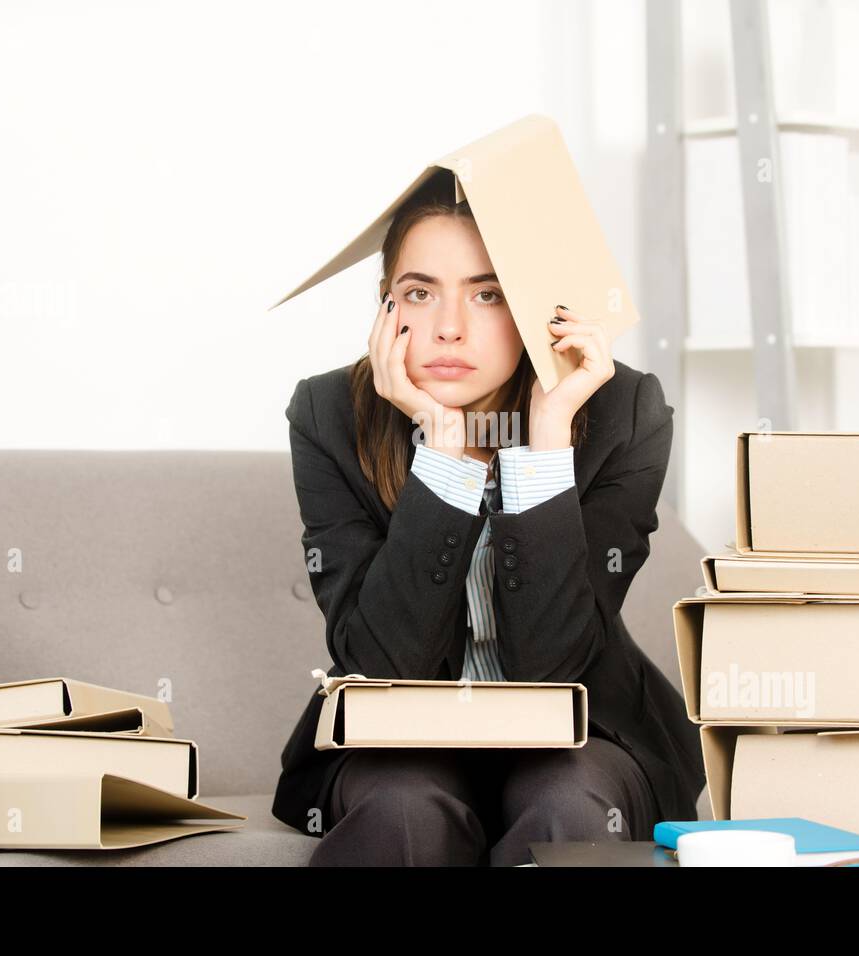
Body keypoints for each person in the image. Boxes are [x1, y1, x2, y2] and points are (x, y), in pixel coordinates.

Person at [269, 173, 705, 866]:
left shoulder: (626, 413)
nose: (449, 327)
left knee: (566, 803)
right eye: (419, 292)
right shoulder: (328, 416)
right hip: (400, 738)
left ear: (537, 306)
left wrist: (547, 440)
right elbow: (382, 663)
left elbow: (554, 664)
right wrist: (442, 450)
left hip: (584, 731)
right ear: (386, 309)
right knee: (402, 808)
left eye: (488, 293)